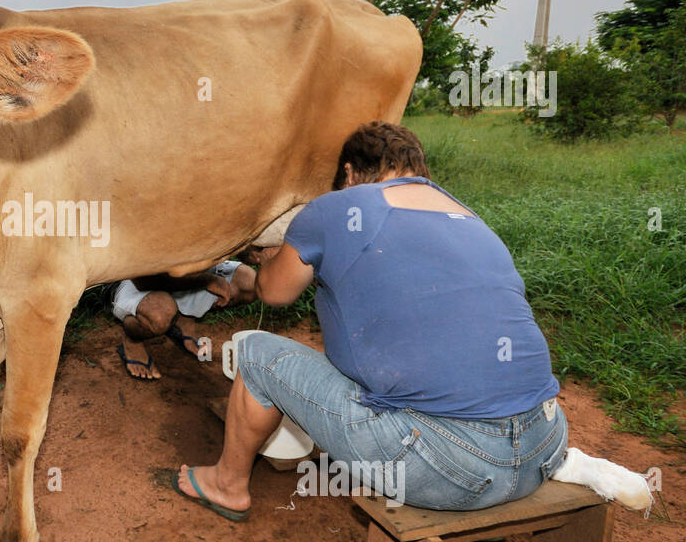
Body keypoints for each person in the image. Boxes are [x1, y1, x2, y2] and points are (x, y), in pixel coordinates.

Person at [174, 121, 652, 520]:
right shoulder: (470, 217)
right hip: (544, 444)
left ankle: (227, 485)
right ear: (420, 172)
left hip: (450, 470)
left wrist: (261, 266)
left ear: (348, 174)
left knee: (258, 355)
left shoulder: (336, 207)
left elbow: (273, 292)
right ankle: (563, 463)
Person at [111, 260, 259, 379]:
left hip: (188, 268)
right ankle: (133, 341)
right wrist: (207, 281)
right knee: (159, 314)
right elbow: (144, 281)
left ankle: (185, 318)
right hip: (132, 277)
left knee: (248, 282)